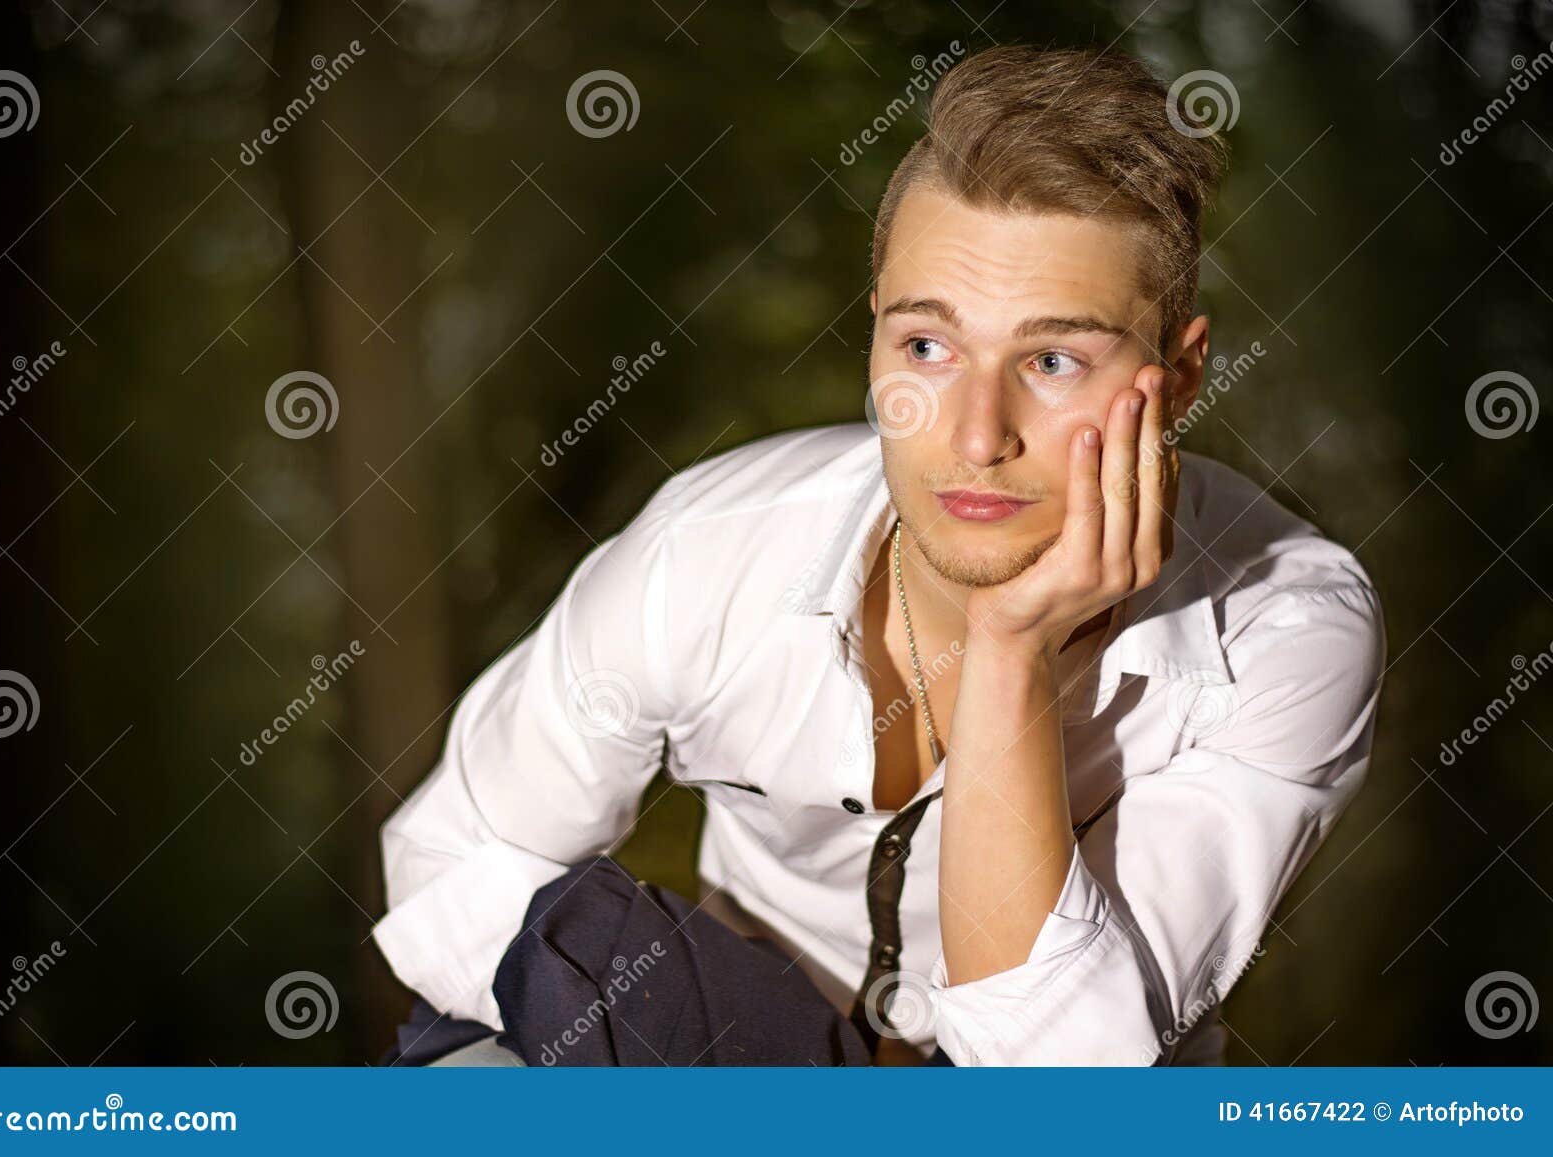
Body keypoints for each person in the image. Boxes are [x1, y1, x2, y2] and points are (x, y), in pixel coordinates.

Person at [372, 42, 1386, 1066]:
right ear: (875, 340)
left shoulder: (1282, 623)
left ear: (1177, 374)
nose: (977, 433)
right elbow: (453, 861)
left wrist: (1007, 647)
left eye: (1050, 358)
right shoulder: (711, 548)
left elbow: (1063, 1080)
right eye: (927, 348)